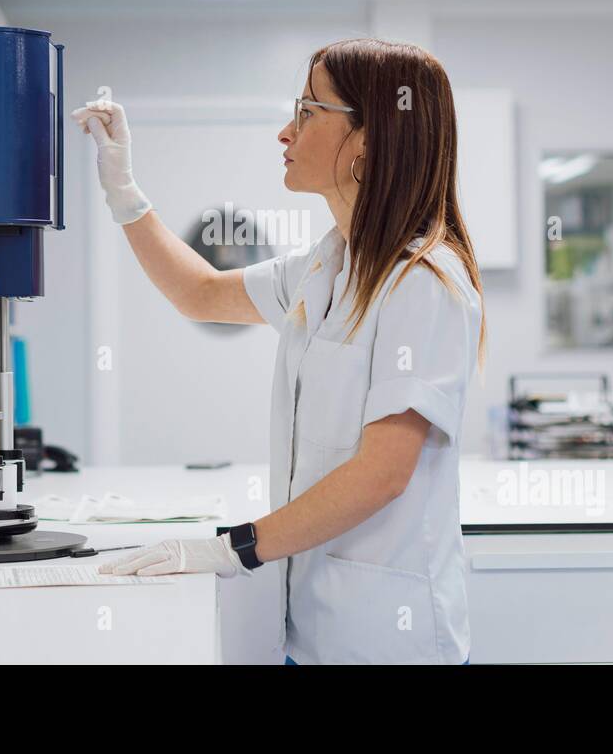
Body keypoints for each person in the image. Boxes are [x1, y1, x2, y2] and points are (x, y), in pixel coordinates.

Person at [70, 37, 485, 665]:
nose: (285, 132)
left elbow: (383, 472)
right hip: (312, 629)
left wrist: (235, 547)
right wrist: (123, 190)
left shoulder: (422, 284)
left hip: (385, 641)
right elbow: (200, 292)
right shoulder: (328, 265)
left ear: (368, 141)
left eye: (309, 112)